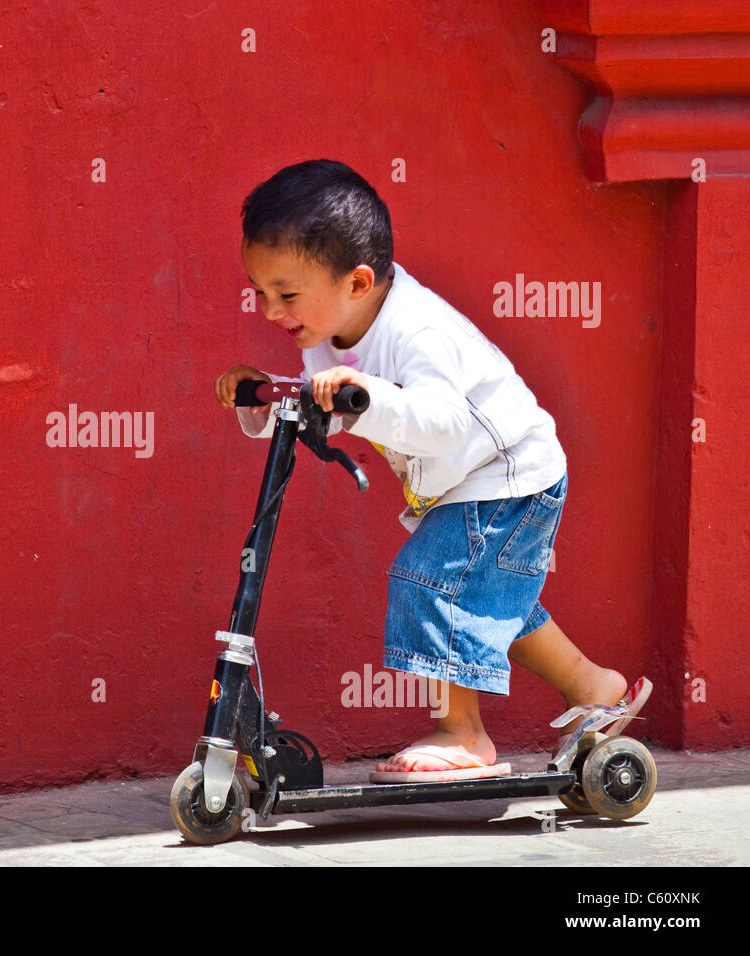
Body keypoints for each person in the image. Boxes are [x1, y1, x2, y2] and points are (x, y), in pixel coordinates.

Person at [213, 160, 648, 780]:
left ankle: (464, 733)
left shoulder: (419, 331)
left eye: (285, 294)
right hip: (464, 482)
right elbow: (329, 410)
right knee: (489, 602)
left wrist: (363, 392)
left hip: (508, 471)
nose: (269, 309)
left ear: (358, 282)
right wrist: (267, 397)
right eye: (260, 291)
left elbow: (442, 423)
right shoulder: (328, 329)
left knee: (430, 582)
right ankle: (595, 687)